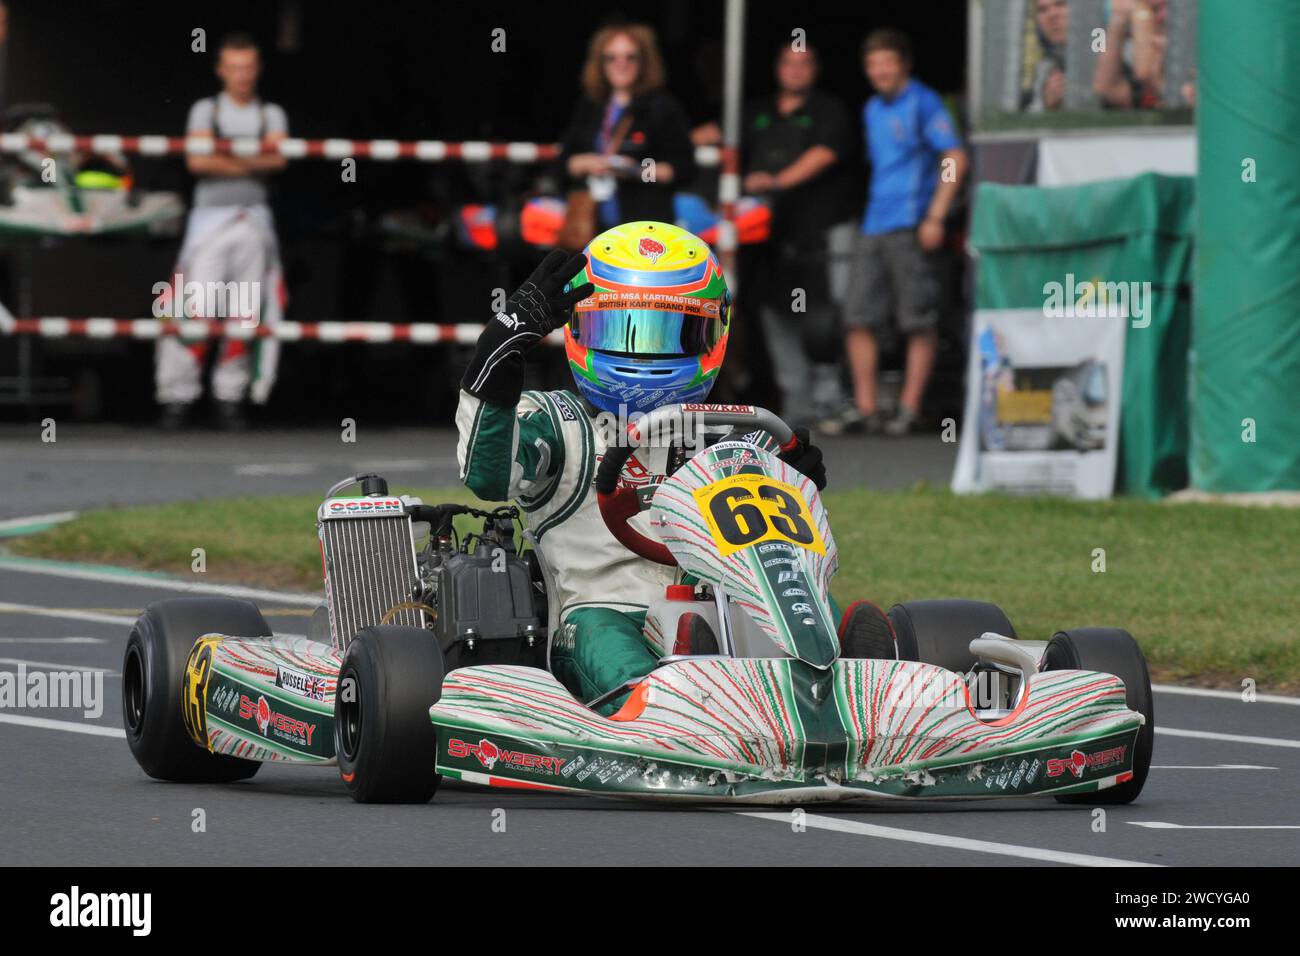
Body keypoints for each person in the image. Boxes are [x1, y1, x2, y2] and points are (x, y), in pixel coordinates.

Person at [455, 222, 901, 716]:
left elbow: (783, 549)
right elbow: (488, 476)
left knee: (811, 614)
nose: (644, 354)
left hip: (735, 606)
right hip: (604, 610)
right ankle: (665, 707)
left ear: (712, 334)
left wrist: (795, 485)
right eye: (622, 329)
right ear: (579, 330)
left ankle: (861, 685)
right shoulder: (557, 424)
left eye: (672, 332)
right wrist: (497, 354)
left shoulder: (741, 433)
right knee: (605, 638)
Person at [829, 28, 968, 436]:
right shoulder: (872, 107)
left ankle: (908, 408)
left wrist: (936, 215)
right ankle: (868, 407)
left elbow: (955, 157)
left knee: (917, 318)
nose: (879, 71)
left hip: (912, 222)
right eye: (872, 64)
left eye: (887, 62)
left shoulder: (924, 101)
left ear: (904, 63)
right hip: (874, 221)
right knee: (857, 315)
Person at [155, 32, 289, 430]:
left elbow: (278, 161)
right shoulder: (204, 110)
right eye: (233, 67)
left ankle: (230, 397)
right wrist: (252, 161)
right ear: (220, 70)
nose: (241, 75)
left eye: (247, 67)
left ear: (257, 70)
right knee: (194, 309)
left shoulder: (272, 114)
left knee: (245, 312)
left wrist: (224, 155)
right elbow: (198, 163)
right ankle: (177, 396)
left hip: (254, 222)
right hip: (209, 221)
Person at [738, 44, 855, 429]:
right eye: (789, 61)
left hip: (822, 235)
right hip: (769, 241)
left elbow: (824, 154)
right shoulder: (756, 113)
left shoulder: (829, 110)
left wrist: (774, 181)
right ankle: (797, 405)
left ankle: (832, 401)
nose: (796, 69)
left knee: (825, 319)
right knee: (774, 315)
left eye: (805, 62)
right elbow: (719, 136)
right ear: (777, 67)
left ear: (815, 69)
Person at [558, 24, 694, 231]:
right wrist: (585, 163)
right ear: (600, 63)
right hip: (592, 224)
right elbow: (564, 161)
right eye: (611, 57)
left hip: (644, 224)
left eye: (630, 57)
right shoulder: (591, 105)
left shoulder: (662, 107)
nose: (621, 64)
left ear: (644, 62)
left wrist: (635, 171)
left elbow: (684, 167)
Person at [1022, 0, 1069, 112]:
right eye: (1042, 10)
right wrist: (1047, 105)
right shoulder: (1045, 69)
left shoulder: (1106, 47)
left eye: (1060, 4)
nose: (1052, 15)